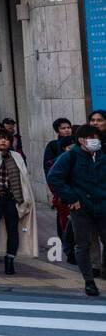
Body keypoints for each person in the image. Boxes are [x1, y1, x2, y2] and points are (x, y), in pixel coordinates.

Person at [48, 125, 106, 295]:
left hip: (102, 206)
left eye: (98, 138)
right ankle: (89, 281)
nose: (97, 141)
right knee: (83, 245)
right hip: (81, 208)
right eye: (92, 138)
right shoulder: (70, 156)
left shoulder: (102, 157)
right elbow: (54, 177)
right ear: (81, 140)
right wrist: (71, 198)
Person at [0, 128, 36, 275]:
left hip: (12, 198)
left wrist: (25, 198)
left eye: (7, 139)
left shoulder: (16, 156)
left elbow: (24, 177)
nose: (3, 141)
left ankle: (10, 260)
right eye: (0, 138)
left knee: (12, 230)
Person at [44, 118, 78, 262]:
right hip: (62, 192)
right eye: (63, 128)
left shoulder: (77, 146)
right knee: (64, 221)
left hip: (76, 192)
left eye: (68, 127)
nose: (67, 130)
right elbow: (49, 171)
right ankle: (68, 250)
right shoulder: (53, 146)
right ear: (57, 130)